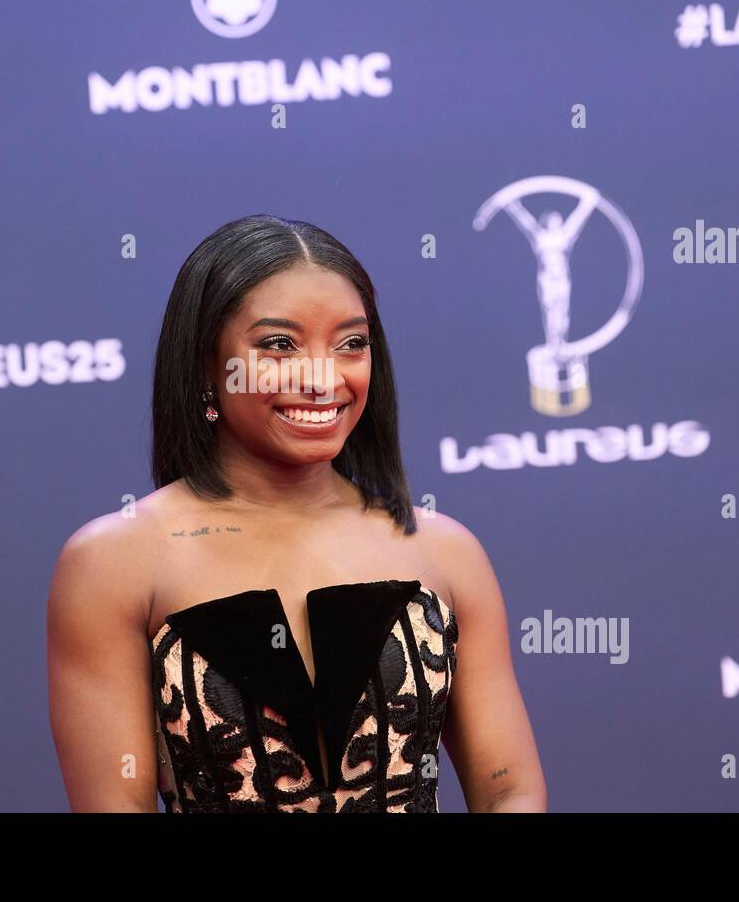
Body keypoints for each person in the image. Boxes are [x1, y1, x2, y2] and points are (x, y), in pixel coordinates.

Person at [47, 213, 545, 812]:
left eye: (352, 344)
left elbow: (508, 790)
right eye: (279, 344)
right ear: (208, 364)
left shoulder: (443, 550)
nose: (323, 377)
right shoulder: (113, 561)